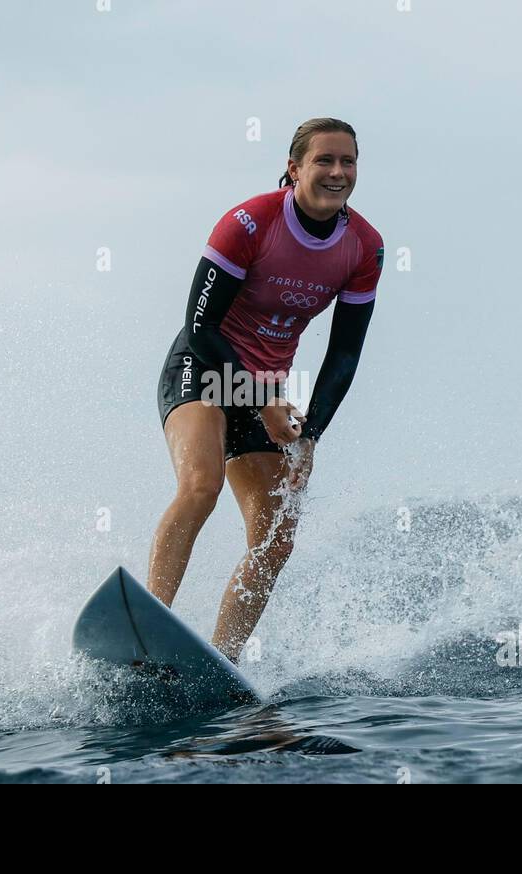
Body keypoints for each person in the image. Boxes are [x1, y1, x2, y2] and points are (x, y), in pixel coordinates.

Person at [148, 117, 384, 663]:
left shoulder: (363, 247)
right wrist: (264, 400)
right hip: (205, 367)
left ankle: (222, 660)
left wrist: (311, 436)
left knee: (275, 538)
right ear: (294, 167)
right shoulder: (249, 223)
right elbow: (202, 328)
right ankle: (147, 623)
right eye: (324, 160)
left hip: (269, 388)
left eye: (347, 161)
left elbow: (345, 353)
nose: (337, 171)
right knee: (201, 486)